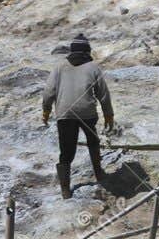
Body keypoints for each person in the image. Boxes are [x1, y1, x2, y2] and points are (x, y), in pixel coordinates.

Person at [41, 34, 114, 198]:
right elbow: (103, 94)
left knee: (66, 151)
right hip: (87, 113)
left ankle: (65, 189)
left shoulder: (59, 67)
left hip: (65, 113)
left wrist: (46, 111)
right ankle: (99, 173)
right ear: (87, 51)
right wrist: (109, 115)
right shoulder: (93, 67)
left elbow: (48, 92)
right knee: (93, 141)